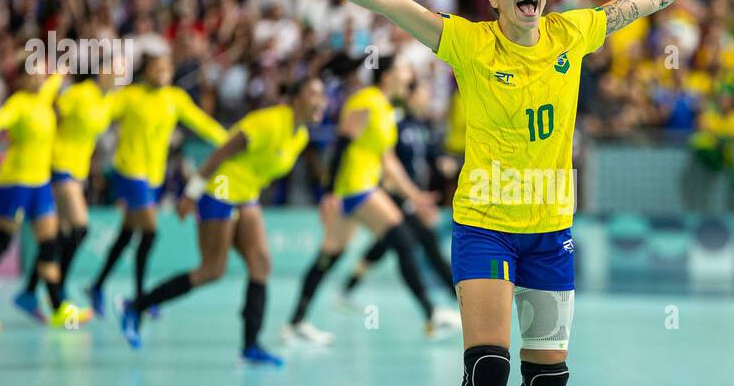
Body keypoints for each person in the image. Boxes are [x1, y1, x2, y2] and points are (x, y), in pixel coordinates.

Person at [263, 0, 734, 386]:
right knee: (489, 370)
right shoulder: (467, 41)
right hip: (485, 225)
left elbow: (640, 0)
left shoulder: (573, 34)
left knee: (548, 381)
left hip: (550, 234)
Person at [120, 78, 328, 365]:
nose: (322, 100)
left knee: (261, 263)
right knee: (211, 270)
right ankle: (136, 306)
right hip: (220, 189)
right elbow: (220, 152)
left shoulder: (301, 136)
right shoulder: (267, 123)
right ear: (295, 99)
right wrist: (191, 194)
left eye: (323, 95)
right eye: (314, 93)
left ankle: (251, 345)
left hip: (245, 195)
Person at [280, 61, 457, 345]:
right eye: (403, 71)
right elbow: (342, 143)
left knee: (329, 256)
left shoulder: (386, 110)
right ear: (386, 75)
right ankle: (431, 314)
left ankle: (296, 323)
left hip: (358, 188)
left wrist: (416, 197)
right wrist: (328, 192)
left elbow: (389, 162)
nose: (408, 76)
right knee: (403, 241)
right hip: (355, 187)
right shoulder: (366, 101)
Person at [87, 51, 227, 315]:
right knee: (150, 232)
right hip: (129, 172)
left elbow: (202, 123)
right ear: (146, 71)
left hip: (154, 176)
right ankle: (141, 299)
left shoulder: (175, 99)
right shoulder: (128, 97)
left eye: (167, 68)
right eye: (157, 68)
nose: (162, 73)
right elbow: (98, 117)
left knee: (128, 234)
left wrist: (230, 142)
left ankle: (97, 285)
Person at [0, 65, 91, 332]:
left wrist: (64, 65)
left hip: (40, 184)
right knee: (1, 243)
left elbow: (55, 79)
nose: (38, 79)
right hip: (15, 183)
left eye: (40, 75)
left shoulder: (44, 97)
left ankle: (58, 308)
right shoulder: (19, 104)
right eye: (31, 75)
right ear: (21, 80)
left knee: (49, 244)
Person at [335, 77, 456, 311]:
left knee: (385, 246)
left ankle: (348, 288)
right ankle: (443, 306)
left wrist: (443, 165)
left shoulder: (422, 127)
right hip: (395, 195)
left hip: (411, 195)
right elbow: (387, 160)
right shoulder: (395, 122)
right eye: (423, 92)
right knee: (421, 243)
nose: (428, 98)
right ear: (410, 96)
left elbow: (430, 157)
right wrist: (412, 198)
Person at [15, 68, 117, 321]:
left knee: (57, 236)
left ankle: (29, 292)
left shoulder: (108, 101)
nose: (116, 74)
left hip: (78, 170)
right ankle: (58, 289)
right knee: (80, 228)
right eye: (112, 68)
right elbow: (53, 116)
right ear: (100, 71)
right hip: (59, 164)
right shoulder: (80, 94)